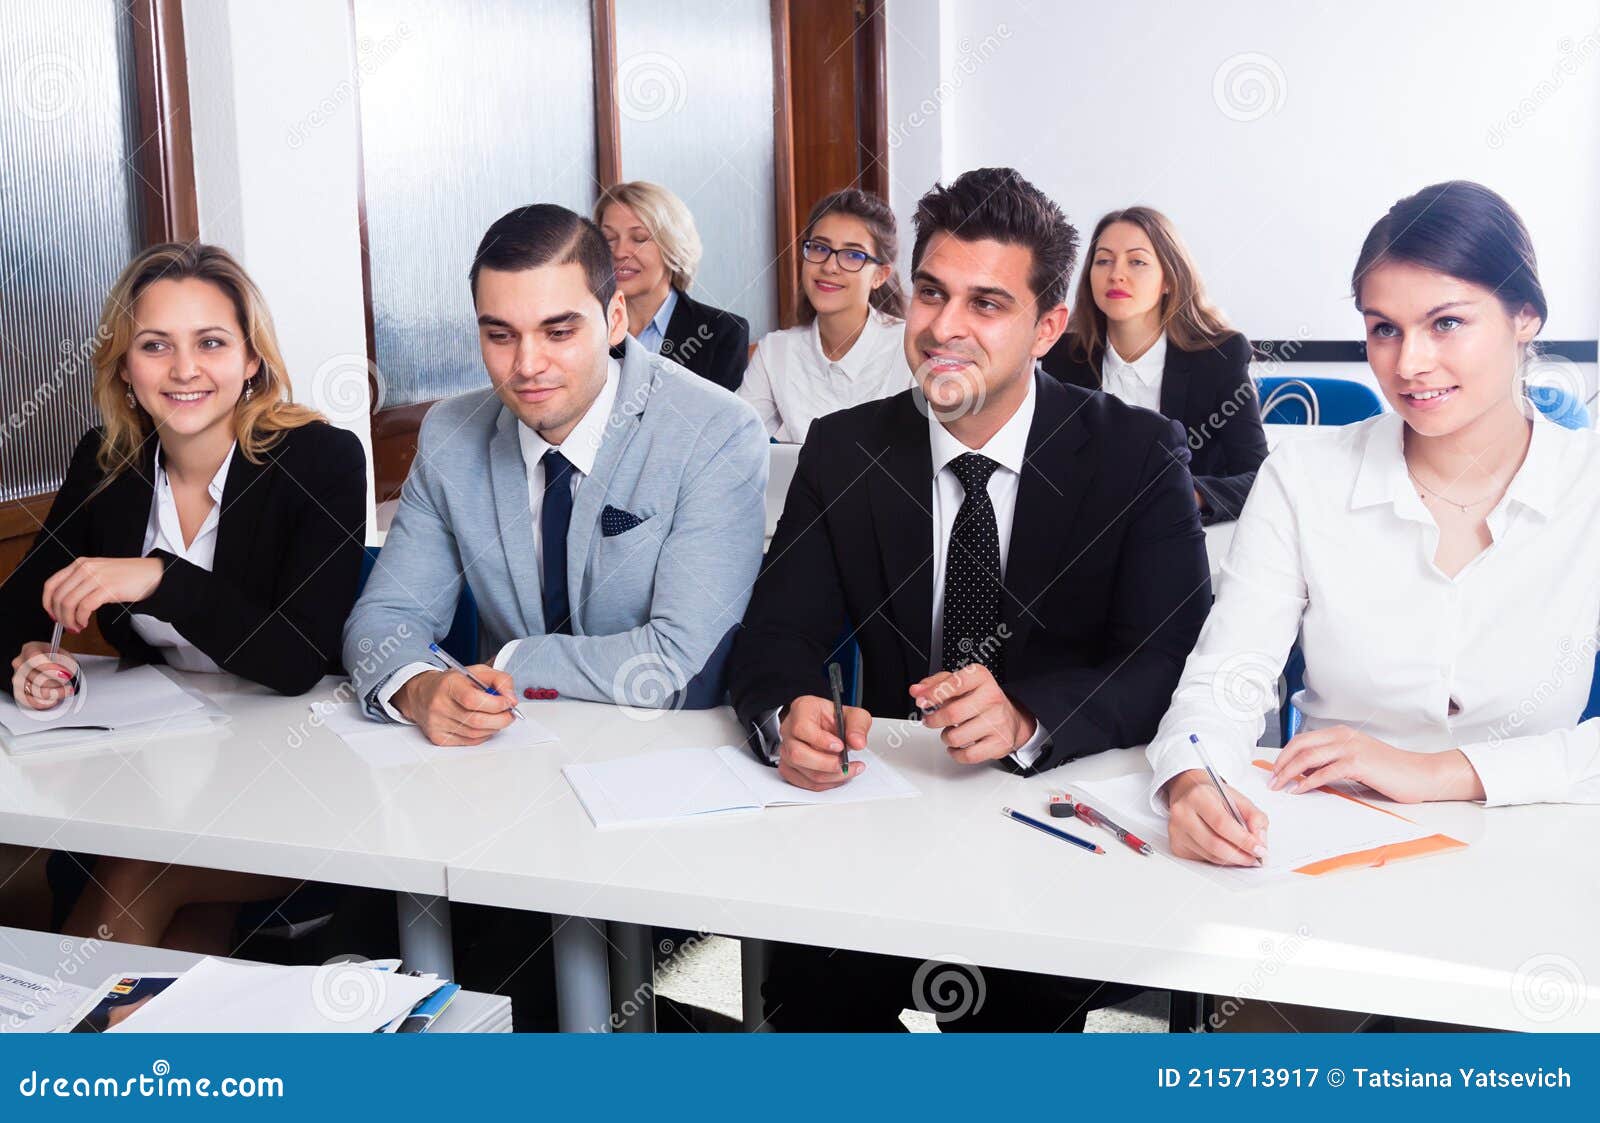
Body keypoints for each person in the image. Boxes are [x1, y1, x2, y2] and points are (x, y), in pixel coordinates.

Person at [729, 168, 1211, 1031]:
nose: (945, 329)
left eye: (986, 304)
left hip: (1060, 832)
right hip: (883, 825)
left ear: (1047, 327)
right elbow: (775, 636)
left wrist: (1030, 715)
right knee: (812, 1017)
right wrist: (786, 710)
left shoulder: (1137, 454)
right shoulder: (844, 450)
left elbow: (1166, 660)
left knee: (1017, 1031)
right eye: (930, 293)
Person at [1150, 180, 1600, 885]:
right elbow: (1226, 678)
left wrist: (1438, 772)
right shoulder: (1304, 476)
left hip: (1538, 859)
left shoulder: (1589, 485)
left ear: (1525, 316)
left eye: (1446, 323)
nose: (1408, 363)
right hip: (1334, 852)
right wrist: (1192, 778)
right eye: (1383, 327)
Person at [0, 241, 367, 950]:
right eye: (155, 345)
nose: (185, 368)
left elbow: (295, 660)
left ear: (251, 358)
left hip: (300, 768)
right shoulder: (106, 462)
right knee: (170, 915)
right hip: (166, 762)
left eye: (211, 342)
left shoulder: (322, 458)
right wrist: (28, 666)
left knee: (144, 870)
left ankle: (46, 1047)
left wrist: (160, 577)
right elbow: (13, 616)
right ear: (125, 367)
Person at [343, 203, 767, 746]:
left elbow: (677, 664)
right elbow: (386, 618)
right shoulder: (451, 434)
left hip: (669, 753)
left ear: (615, 319)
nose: (527, 365)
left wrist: (512, 659)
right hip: (507, 751)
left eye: (558, 332)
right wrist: (419, 688)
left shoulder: (716, 429)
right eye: (500, 336)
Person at [1041, 206, 1266, 524]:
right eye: (1103, 260)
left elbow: (1258, 476)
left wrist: (1187, 494)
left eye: (1137, 261)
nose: (1116, 274)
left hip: (1183, 535)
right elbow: (1049, 464)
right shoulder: (1062, 355)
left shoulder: (1220, 356)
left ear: (1169, 280)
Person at [738, 188, 910, 442]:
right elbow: (735, 442)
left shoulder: (910, 347)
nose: (829, 266)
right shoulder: (776, 350)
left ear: (879, 276)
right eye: (820, 248)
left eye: (853, 255)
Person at [594, 181, 749, 392]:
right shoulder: (588, 328)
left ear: (672, 247)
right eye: (608, 238)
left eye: (639, 238)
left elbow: (720, 423)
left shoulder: (721, 332)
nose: (619, 251)